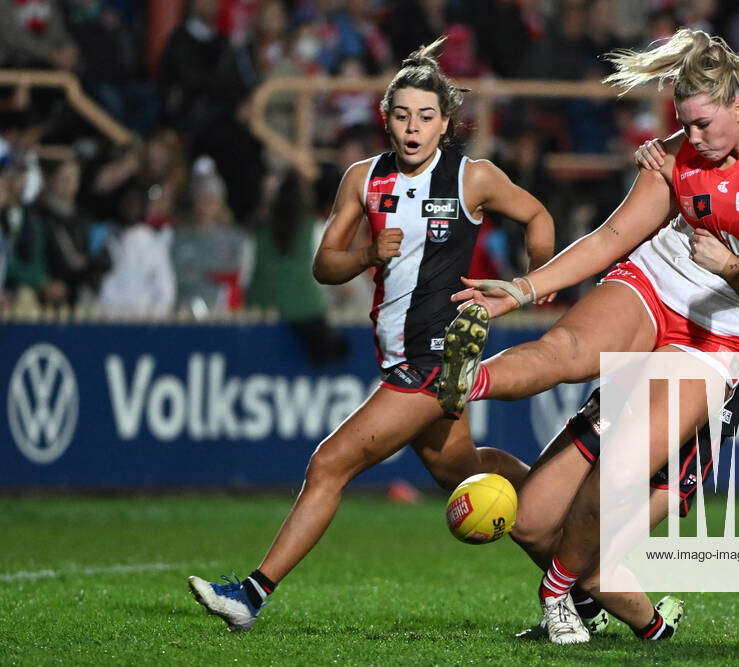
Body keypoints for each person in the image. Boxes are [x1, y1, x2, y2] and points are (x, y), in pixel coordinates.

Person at [436, 28, 739, 643]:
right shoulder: (677, 154)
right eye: (682, 125)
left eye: (700, 125)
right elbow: (611, 240)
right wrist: (523, 288)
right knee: (535, 505)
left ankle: (564, 593)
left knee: (618, 477)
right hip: (657, 284)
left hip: (717, 336)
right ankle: (462, 379)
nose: (688, 139)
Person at [187, 37, 556, 632]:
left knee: (329, 464)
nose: (414, 128)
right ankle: (579, 573)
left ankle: (250, 595)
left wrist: (536, 280)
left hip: (434, 361)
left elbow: (538, 215)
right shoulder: (363, 179)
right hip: (396, 357)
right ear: (387, 120)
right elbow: (323, 265)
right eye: (403, 115)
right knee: (464, 474)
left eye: (426, 117)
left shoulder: (474, 178)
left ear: (445, 125)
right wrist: (364, 253)